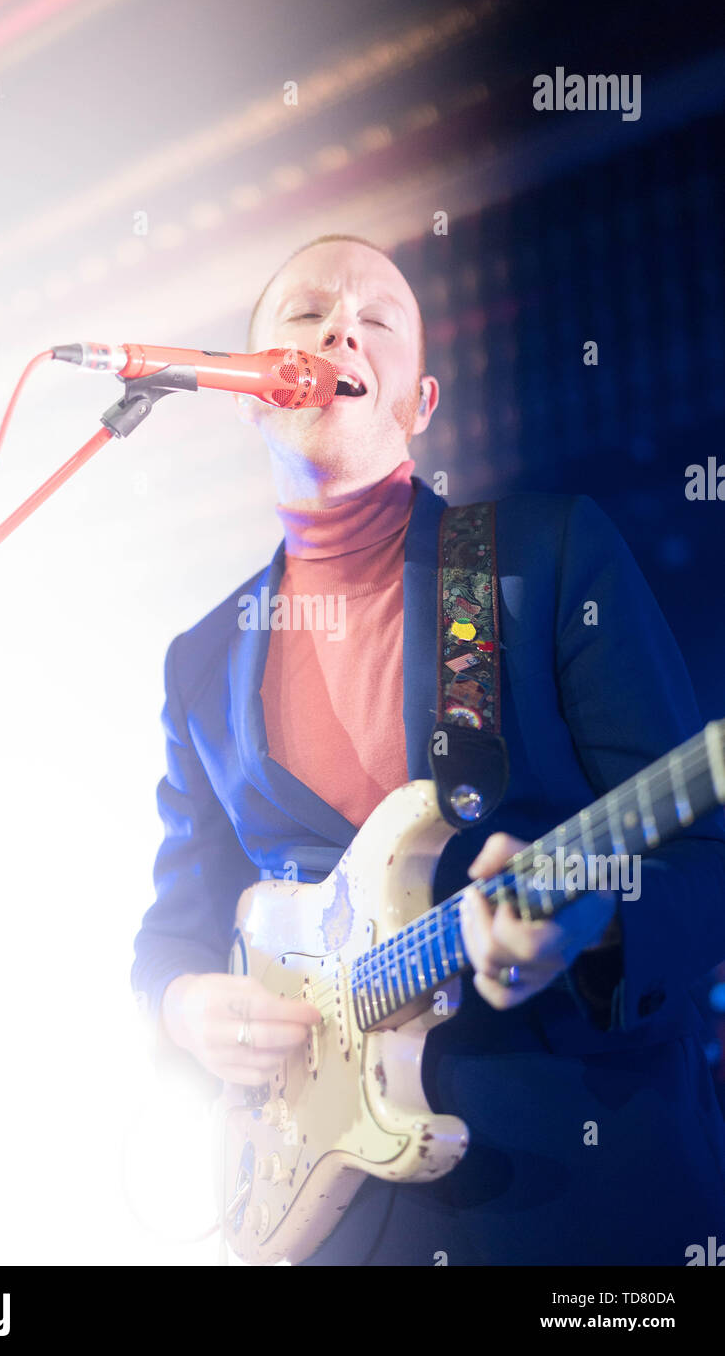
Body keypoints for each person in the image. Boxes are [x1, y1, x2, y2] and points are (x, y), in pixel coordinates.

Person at [131, 233, 725, 1265]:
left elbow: (707, 855)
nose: (338, 328)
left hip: (573, 1192)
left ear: (418, 402)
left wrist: (593, 925)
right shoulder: (201, 660)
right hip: (332, 1212)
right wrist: (185, 1008)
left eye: (376, 318)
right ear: (249, 392)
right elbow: (173, 931)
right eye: (306, 314)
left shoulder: (543, 558)